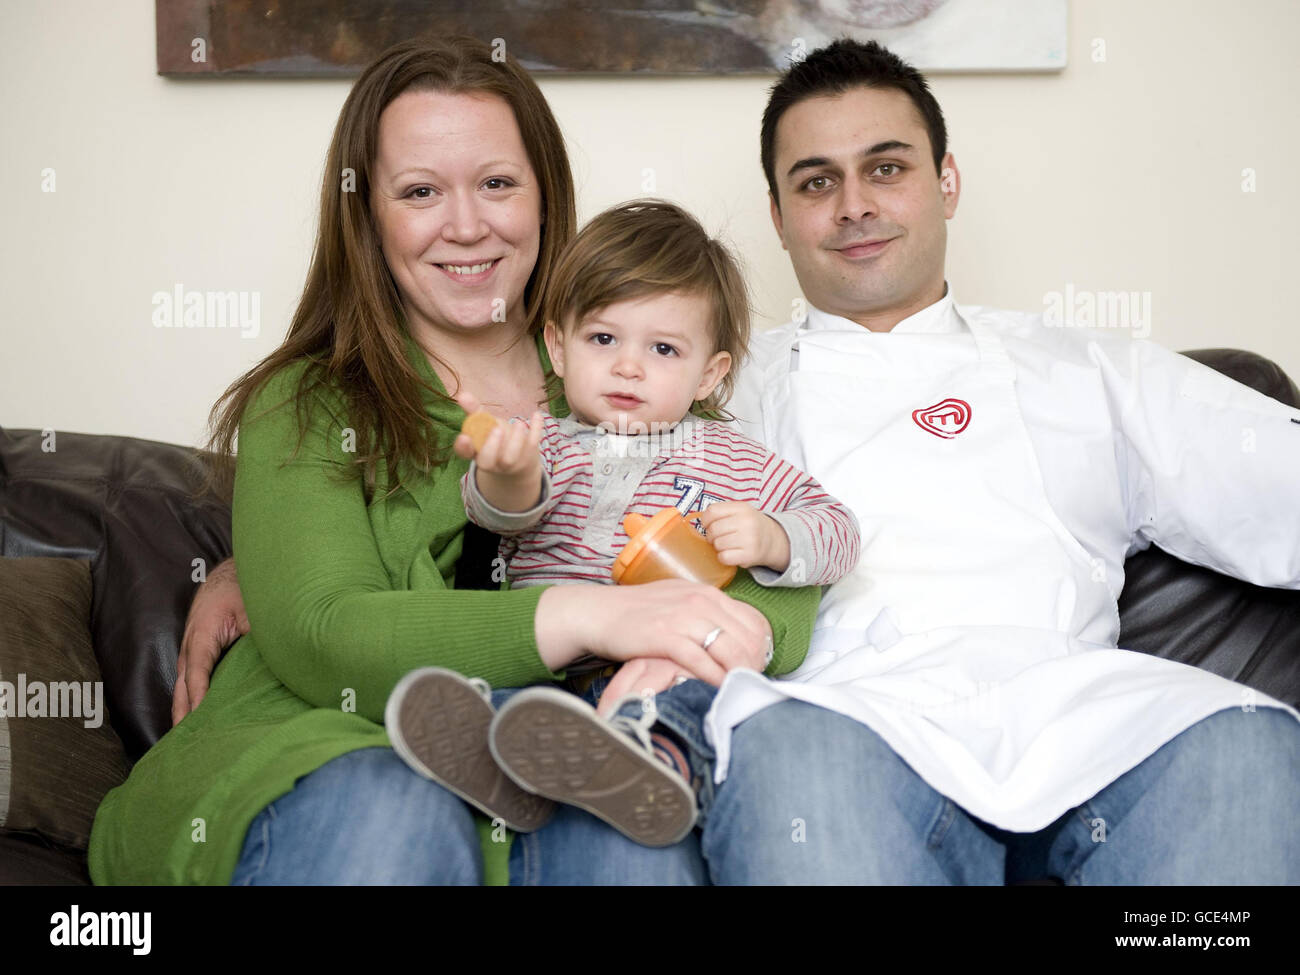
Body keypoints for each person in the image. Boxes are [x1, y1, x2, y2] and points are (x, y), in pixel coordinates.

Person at [87, 35, 824, 886]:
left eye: (498, 183)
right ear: (368, 215)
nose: (466, 225)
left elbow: (781, 577)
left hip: (560, 750)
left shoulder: (625, 370)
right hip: (322, 751)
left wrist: (696, 638)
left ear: (547, 195)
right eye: (420, 191)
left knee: (629, 837)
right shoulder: (311, 401)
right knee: (401, 805)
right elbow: (327, 633)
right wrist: (600, 616)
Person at [697, 38, 1300, 883]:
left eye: (887, 168)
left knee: (1246, 743)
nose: (853, 206)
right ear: (778, 216)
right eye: (817, 181)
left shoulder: (1081, 365)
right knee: (795, 760)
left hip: (1079, 722)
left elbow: (1278, 475)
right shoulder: (719, 385)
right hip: (844, 726)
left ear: (946, 183)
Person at [385, 199, 861, 848]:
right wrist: (507, 473)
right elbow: (497, 514)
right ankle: (505, 771)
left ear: (709, 374)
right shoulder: (545, 441)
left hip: (657, 665)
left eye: (664, 348)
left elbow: (839, 529)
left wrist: (774, 538)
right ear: (558, 346)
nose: (629, 366)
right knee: (507, 703)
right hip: (547, 660)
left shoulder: (732, 459)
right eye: (603, 339)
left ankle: (656, 766)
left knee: (681, 700)